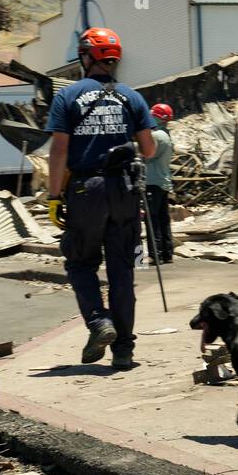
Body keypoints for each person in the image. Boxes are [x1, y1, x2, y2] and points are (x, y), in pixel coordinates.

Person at [46, 27, 156, 370]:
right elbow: (149, 149)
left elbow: (59, 151)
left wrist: (53, 197)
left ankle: (98, 322)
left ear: (86, 57)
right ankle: (124, 351)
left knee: (80, 262)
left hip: (85, 190)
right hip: (124, 189)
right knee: (122, 270)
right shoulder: (132, 98)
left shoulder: (67, 97)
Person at [143, 103, 175, 264]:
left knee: (152, 219)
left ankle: (155, 254)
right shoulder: (166, 134)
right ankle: (167, 253)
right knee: (163, 219)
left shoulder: (156, 136)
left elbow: (147, 155)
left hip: (153, 182)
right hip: (162, 181)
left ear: (157, 117)